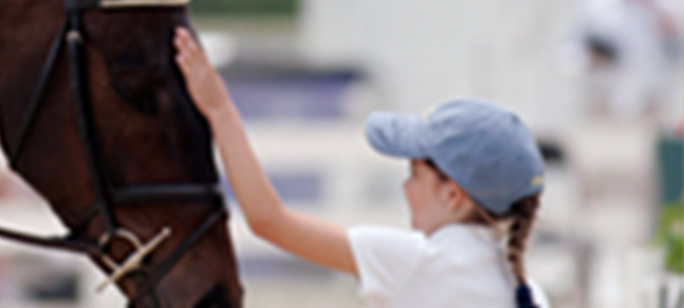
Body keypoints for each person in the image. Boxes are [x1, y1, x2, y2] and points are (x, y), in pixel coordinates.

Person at [175, 28, 549, 307]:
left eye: (415, 175)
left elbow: (268, 219)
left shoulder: (418, 262)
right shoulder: (528, 292)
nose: (406, 189)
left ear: (453, 196)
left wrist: (220, 110)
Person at [562, 0, 684, 121]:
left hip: (652, 106)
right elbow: (570, 46)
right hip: (603, 103)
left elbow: (679, 58)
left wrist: (671, 32)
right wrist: (590, 59)